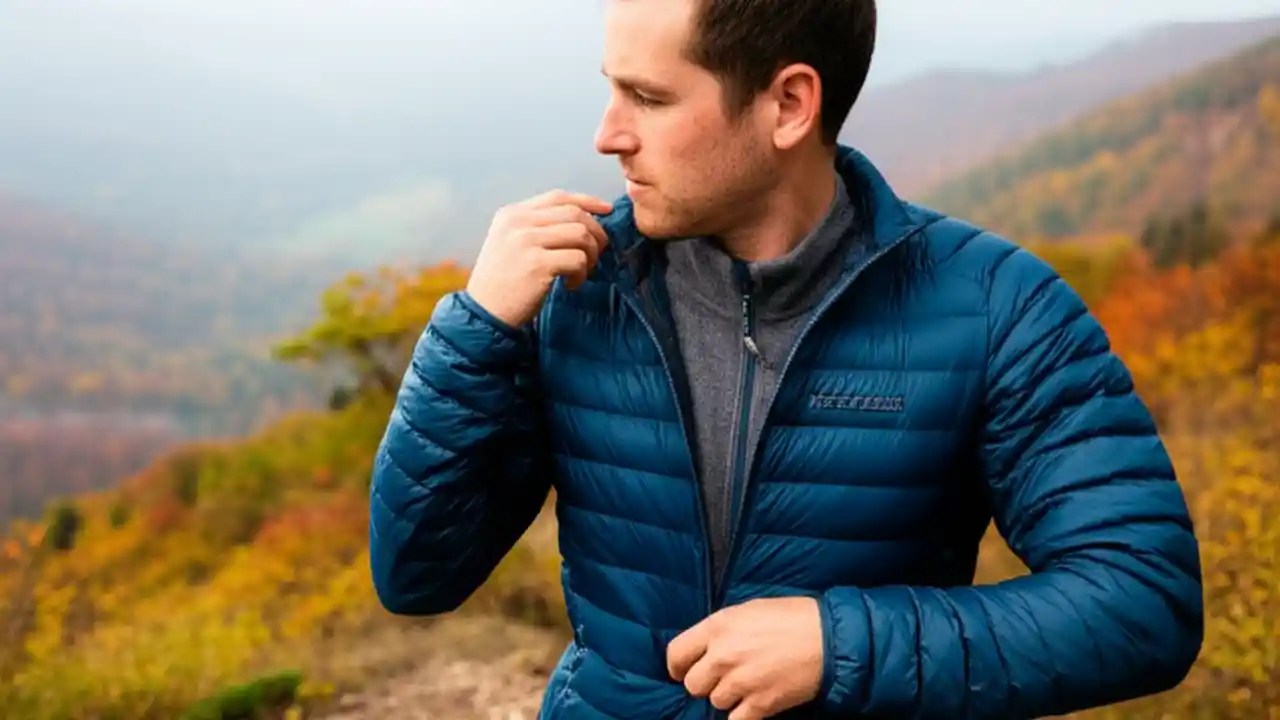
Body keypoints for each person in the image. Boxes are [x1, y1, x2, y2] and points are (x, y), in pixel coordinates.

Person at [367, 0, 1204, 717]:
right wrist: (472, 331)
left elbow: (1142, 600)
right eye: (610, 89)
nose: (606, 136)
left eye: (648, 98)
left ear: (789, 105)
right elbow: (415, 575)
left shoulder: (997, 306)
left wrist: (839, 645)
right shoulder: (577, 289)